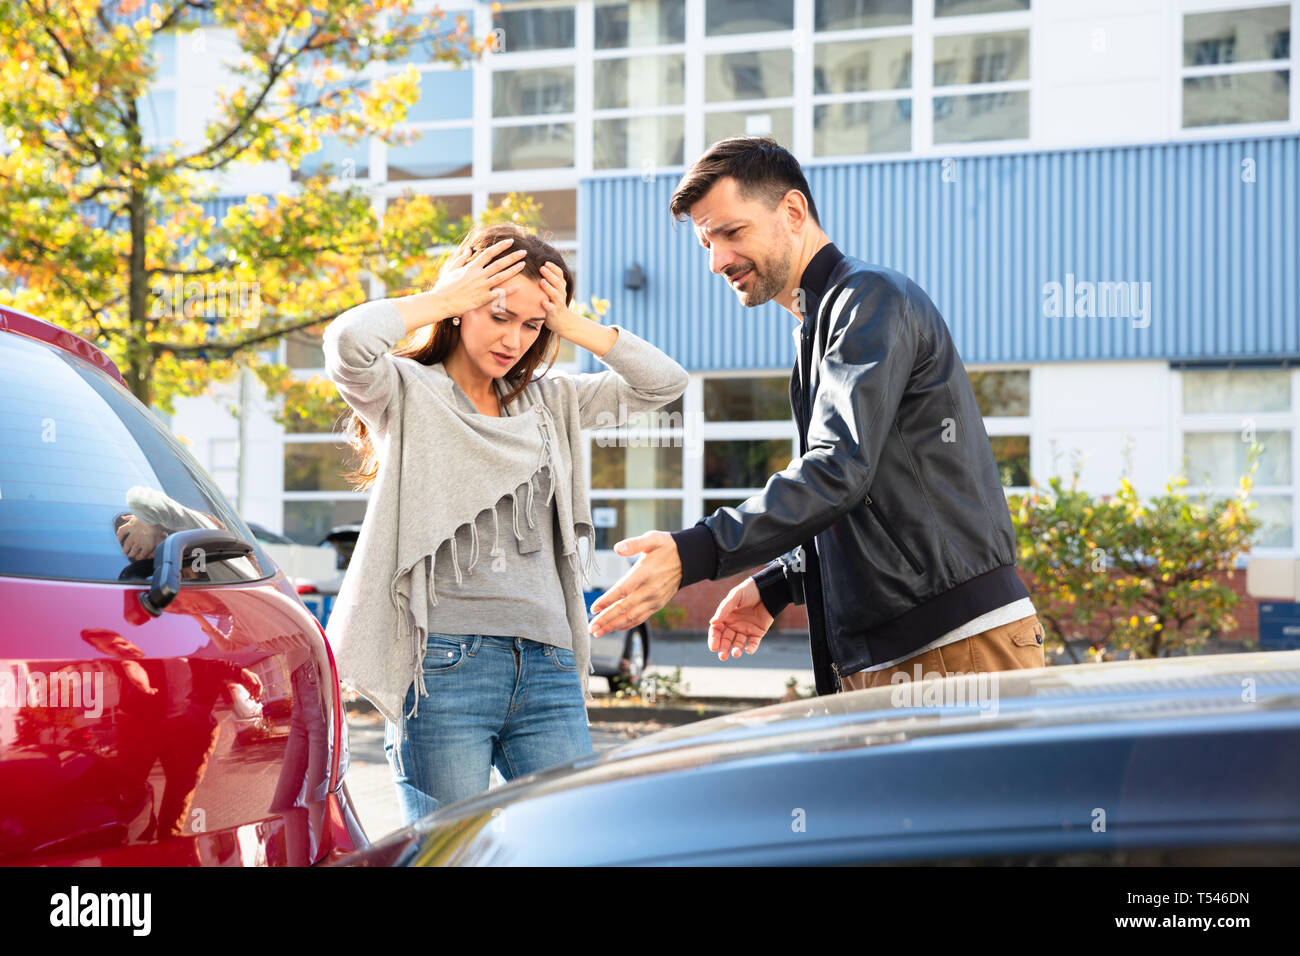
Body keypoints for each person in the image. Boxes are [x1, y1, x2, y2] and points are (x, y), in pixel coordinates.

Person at [587, 137, 1044, 696]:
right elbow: (869, 495)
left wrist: (695, 551)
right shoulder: (820, 325)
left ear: (794, 211)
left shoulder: (869, 301)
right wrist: (780, 584)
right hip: (908, 649)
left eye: (731, 233)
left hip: (952, 644)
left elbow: (838, 470)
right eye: (707, 242)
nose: (717, 261)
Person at [322, 222, 688, 823]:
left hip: (548, 663)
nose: (514, 338)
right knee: (457, 854)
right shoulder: (405, 391)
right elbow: (348, 342)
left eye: (532, 325)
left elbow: (664, 383)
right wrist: (442, 299)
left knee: (573, 842)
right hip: (443, 667)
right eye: (498, 314)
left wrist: (572, 324)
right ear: (464, 306)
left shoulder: (553, 402)